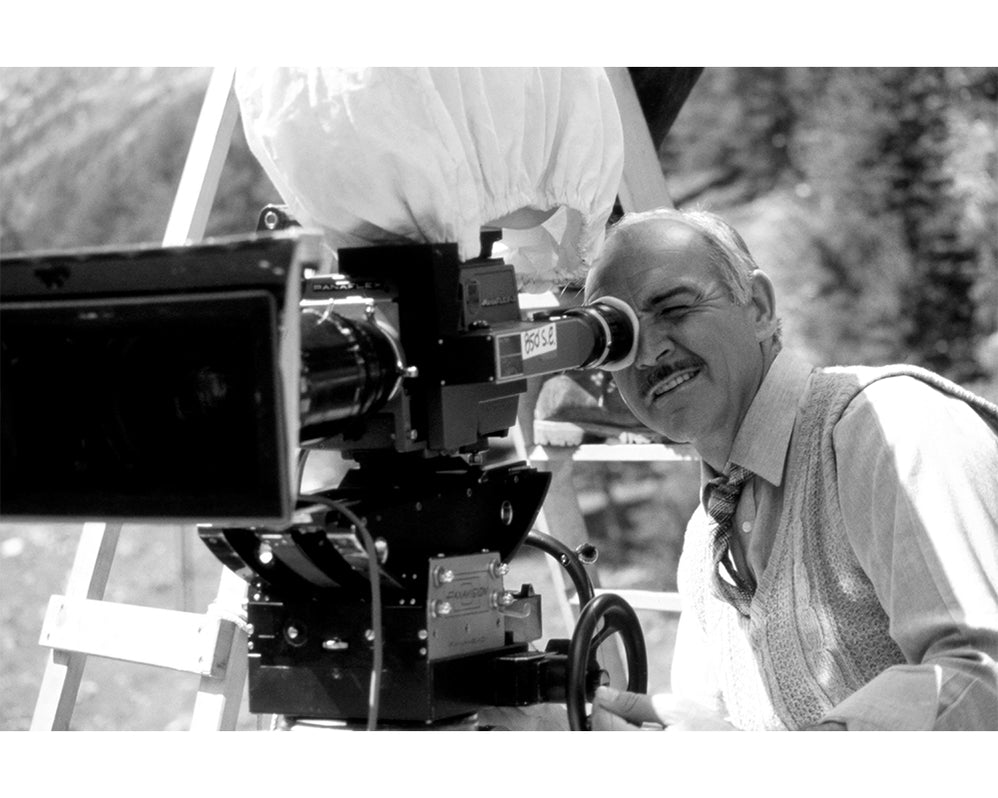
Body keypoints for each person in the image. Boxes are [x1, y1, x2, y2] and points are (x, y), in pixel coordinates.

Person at [584, 207, 998, 731]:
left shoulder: (886, 427)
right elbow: (742, 730)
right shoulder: (704, 539)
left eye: (672, 309)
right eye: (618, 340)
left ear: (757, 307)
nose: (648, 352)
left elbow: (982, 678)